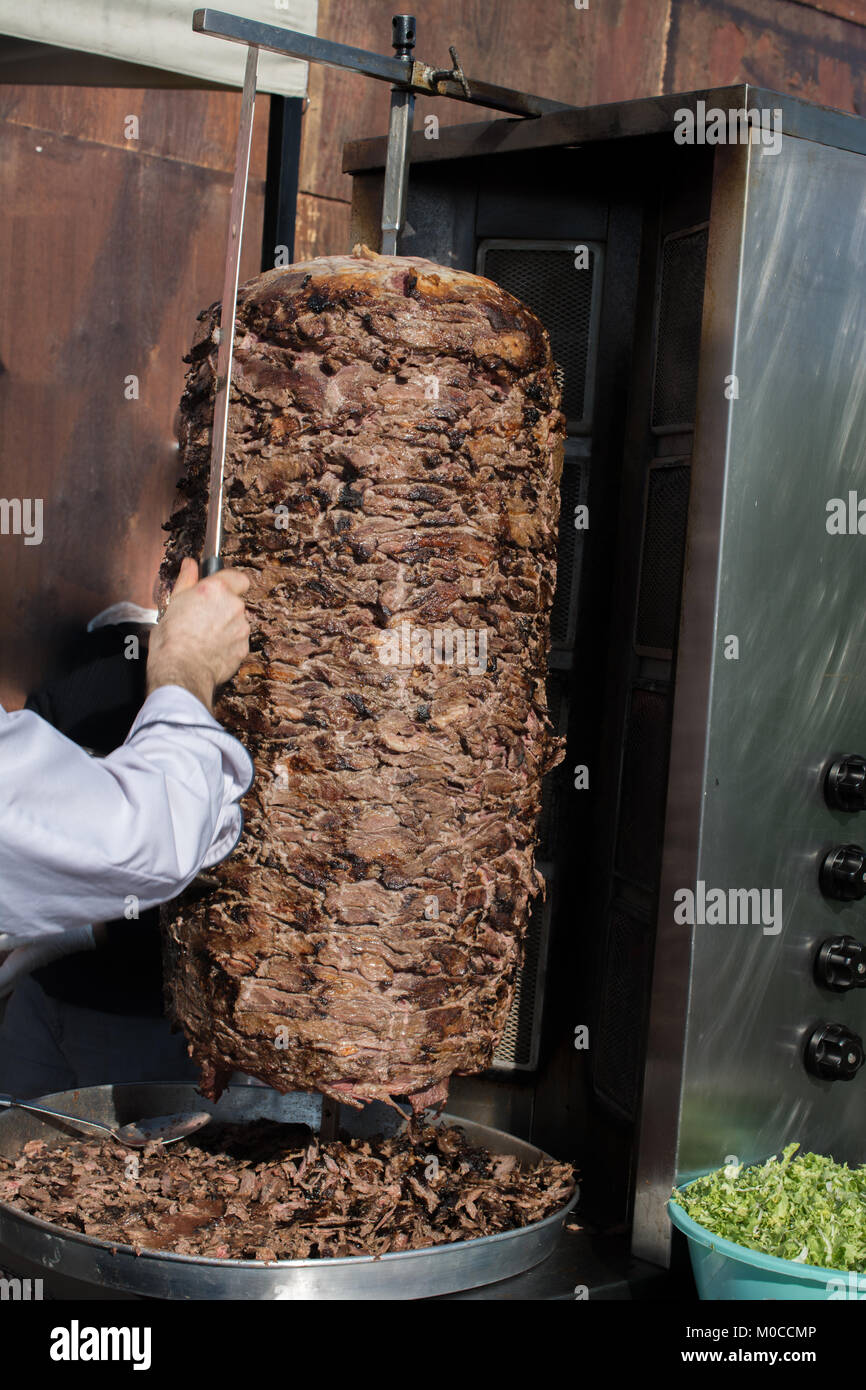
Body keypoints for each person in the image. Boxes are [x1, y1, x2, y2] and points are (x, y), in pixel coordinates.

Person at [0, 559, 253, 1095]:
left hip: (153, 1024)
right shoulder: (93, 678)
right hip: (64, 1008)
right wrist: (184, 667)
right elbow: (149, 840)